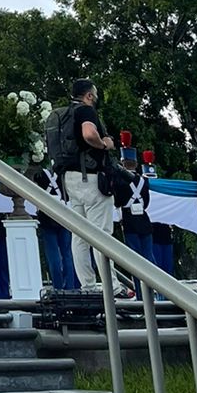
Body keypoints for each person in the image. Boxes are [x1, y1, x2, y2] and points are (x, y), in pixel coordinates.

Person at [52, 78, 116, 290]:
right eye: (94, 95)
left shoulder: (63, 114)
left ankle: (88, 285)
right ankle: (111, 285)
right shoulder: (85, 111)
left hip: (69, 179)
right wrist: (104, 144)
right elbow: (89, 134)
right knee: (101, 233)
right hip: (90, 177)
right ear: (89, 95)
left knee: (79, 236)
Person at [32, 163, 78, 290]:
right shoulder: (63, 173)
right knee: (67, 253)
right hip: (63, 215)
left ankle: (58, 286)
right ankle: (70, 285)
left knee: (53, 255)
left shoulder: (38, 174)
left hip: (46, 217)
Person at [113, 132, 154, 267]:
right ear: (136, 163)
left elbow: (117, 202)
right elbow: (146, 203)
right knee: (148, 256)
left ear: (123, 163)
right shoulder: (144, 180)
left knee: (134, 259)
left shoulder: (120, 181)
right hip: (144, 219)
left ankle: (138, 286)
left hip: (129, 221)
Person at [141, 151, 175, 277]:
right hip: (151, 233)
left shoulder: (162, 189)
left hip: (163, 233)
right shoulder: (142, 186)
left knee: (165, 270)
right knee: (157, 270)